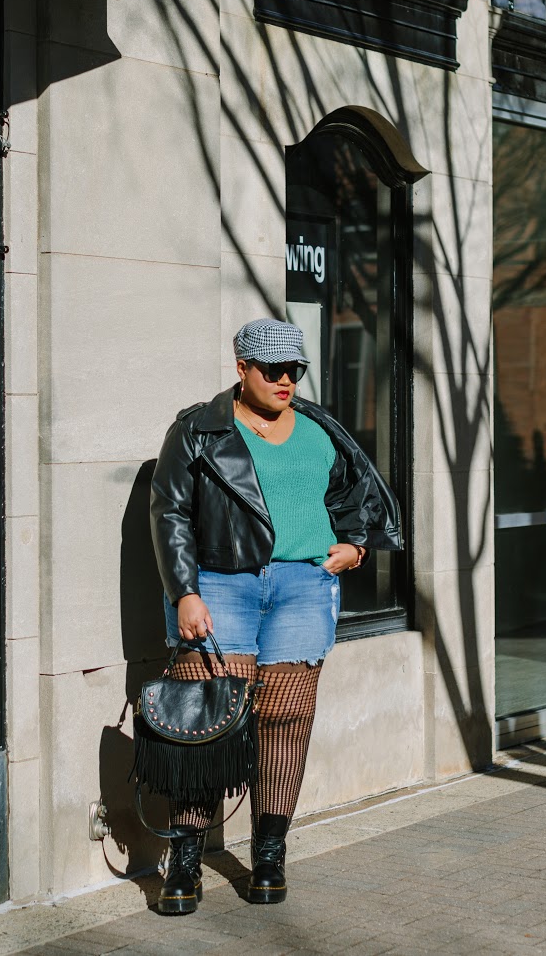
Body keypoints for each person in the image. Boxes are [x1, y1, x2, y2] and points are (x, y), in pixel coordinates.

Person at [148, 317, 402, 914]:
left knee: (285, 719)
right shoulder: (199, 430)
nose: (287, 381)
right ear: (242, 369)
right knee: (207, 722)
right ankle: (184, 858)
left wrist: (356, 544)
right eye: (273, 371)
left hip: (303, 587)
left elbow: (352, 495)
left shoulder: (318, 428)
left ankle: (268, 854)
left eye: (296, 370)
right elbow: (169, 513)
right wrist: (184, 591)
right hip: (220, 583)